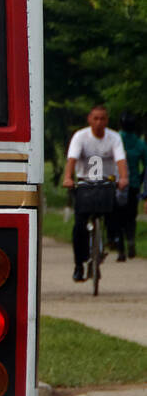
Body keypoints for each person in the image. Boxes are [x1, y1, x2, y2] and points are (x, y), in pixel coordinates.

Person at [62, 104, 129, 282]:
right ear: (89, 119)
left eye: (103, 119)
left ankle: (113, 239)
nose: (99, 122)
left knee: (114, 211)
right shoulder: (80, 137)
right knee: (79, 226)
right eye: (96, 118)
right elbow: (72, 159)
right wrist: (68, 178)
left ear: (107, 120)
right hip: (85, 185)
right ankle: (79, 265)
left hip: (107, 183)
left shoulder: (114, 138)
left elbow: (121, 160)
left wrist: (123, 178)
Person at [115, 111, 146, 260]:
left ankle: (120, 249)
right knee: (131, 216)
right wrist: (140, 180)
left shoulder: (115, 139)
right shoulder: (140, 143)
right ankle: (131, 239)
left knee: (118, 216)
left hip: (117, 183)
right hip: (133, 184)